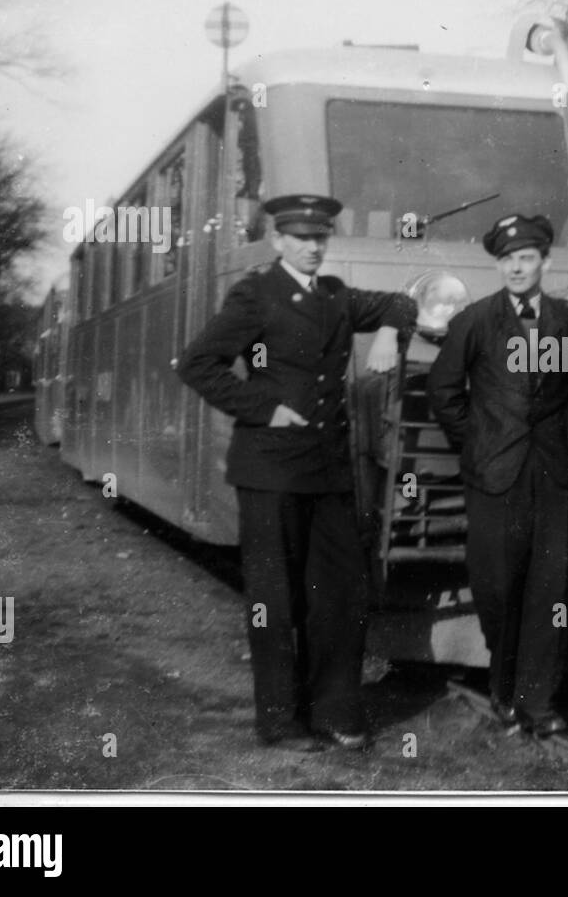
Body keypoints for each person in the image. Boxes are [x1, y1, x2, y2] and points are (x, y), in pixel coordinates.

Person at [176, 193, 416, 753]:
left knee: (338, 593)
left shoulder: (334, 297)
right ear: (279, 240)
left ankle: (333, 710)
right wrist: (262, 409)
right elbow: (197, 363)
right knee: (275, 598)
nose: (313, 247)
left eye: (321, 238)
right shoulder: (256, 295)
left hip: (329, 473)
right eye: (302, 237)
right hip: (272, 469)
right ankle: (280, 721)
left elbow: (403, 304)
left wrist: (385, 331)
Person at [427, 213, 568, 737]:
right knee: (497, 585)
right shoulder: (476, 320)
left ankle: (538, 702)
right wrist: (475, 446)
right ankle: (504, 685)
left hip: (556, 476)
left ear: (544, 261)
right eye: (508, 260)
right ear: (498, 264)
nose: (517, 268)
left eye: (527, 258)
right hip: (495, 477)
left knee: (554, 587)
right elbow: (443, 390)